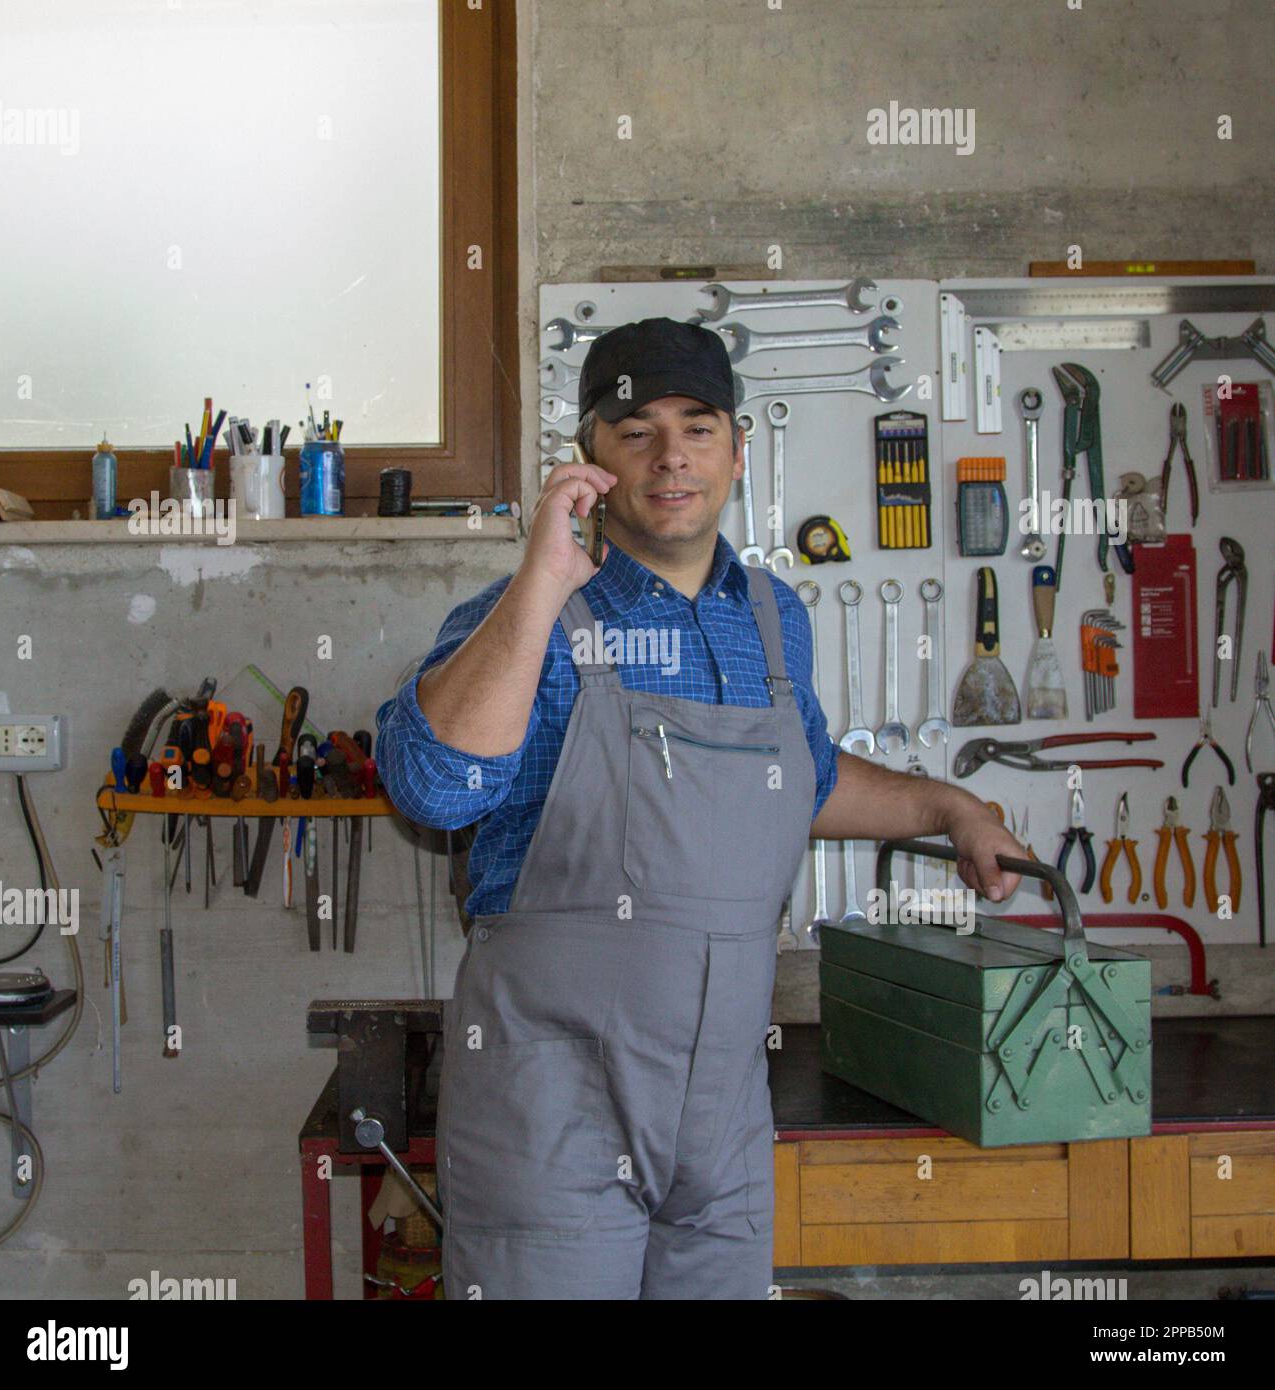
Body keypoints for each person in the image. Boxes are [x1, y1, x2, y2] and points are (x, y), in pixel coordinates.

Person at [376, 316, 1023, 1300]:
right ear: (589, 456)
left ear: (735, 449)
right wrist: (539, 585)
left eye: (697, 425)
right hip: (553, 1107)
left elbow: (802, 779)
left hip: (722, 1112)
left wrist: (951, 807)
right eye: (635, 429)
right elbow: (430, 786)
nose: (670, 454)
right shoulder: (528, 619)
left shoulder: (770, 618)